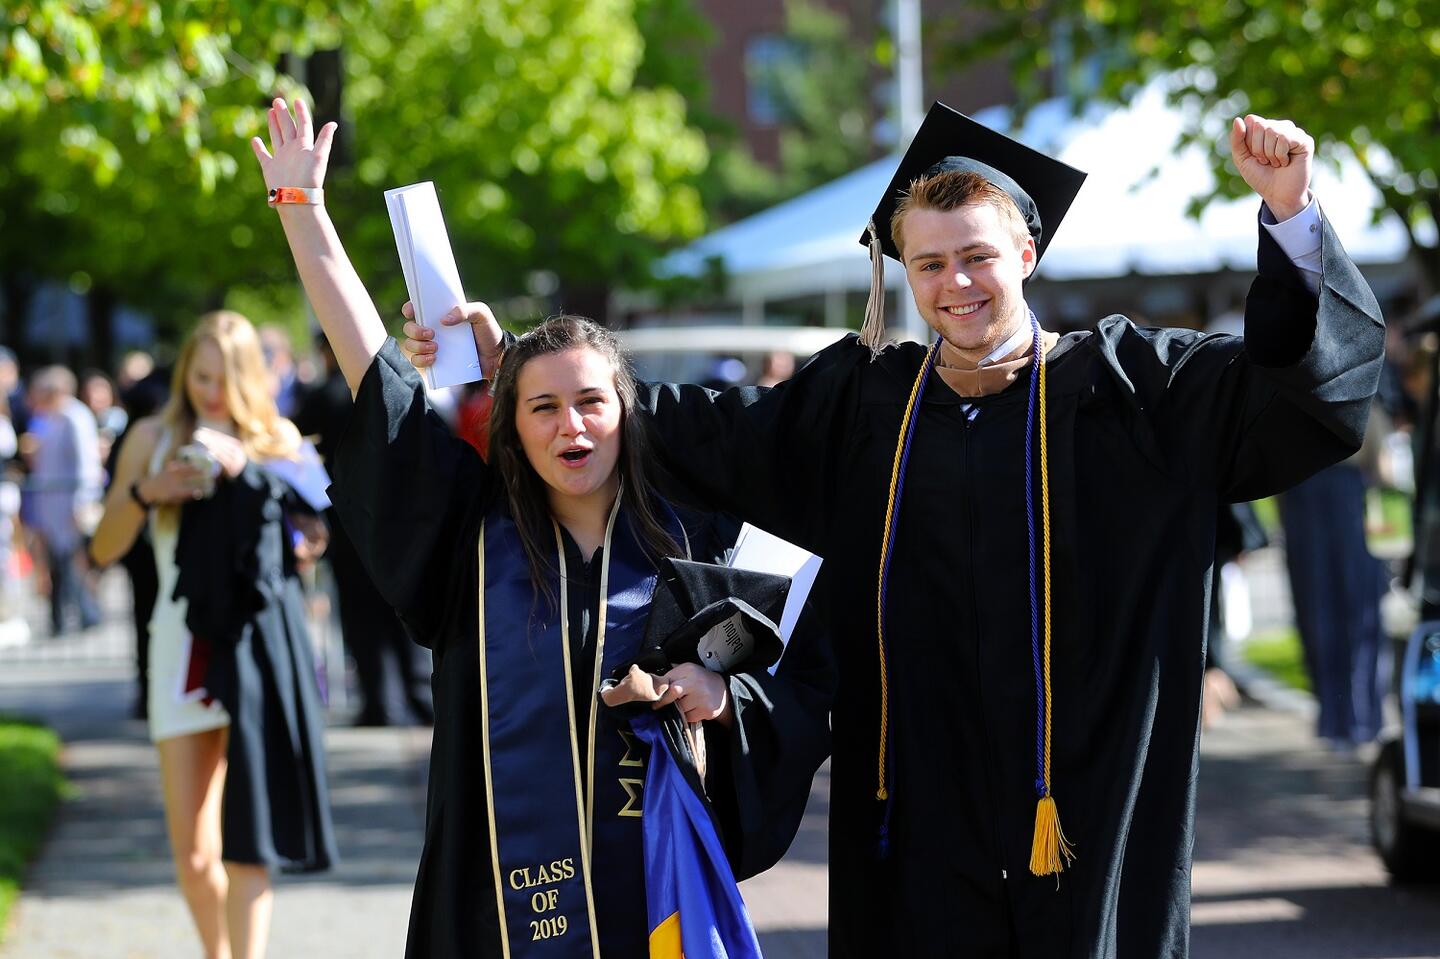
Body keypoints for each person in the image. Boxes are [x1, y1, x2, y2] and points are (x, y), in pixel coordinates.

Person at [409, 104, 1385, 956]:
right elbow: (700, 426)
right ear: (905, 269)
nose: (954, 282)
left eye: (976, 256)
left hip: (1083, 804)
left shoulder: (1131, 388)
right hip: (915, 807)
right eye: (929, 262)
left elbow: (1302, 408)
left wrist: (1292, 218)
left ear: (1027, 256)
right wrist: (522, 371)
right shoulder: (869, 405)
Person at [252, 98, 832, 958]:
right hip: (496, 908)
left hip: (659, 895)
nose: (573, 427)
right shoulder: (470, 539)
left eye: (593, 402)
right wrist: (305, 215)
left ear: (627, 413)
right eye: (545, 407)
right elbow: (376, 376)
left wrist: (716, 698)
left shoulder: (697, 542)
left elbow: (796, 681)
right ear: (510, 425)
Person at [90, 310, 337, 959]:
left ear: (252, 378)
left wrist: (299, 540)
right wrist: (150, 490)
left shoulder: (277, 438)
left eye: (225, 380)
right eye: (200, 377)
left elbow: (316, 527)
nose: (212, 393)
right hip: (182, 642)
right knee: (196, 849)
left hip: (257, 642)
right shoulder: (152, 435)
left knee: (249, 832)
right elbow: (105, 545)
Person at [292, 333, 433, 727]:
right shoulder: (393, 388)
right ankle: (420, 697)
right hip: (398, 517)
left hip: (347, 521)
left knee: (361, 616)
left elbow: (300, 456)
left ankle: (379, 701)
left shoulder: (322, 398)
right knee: (404, 608)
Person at [25, 365, 103, 635]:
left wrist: (81, 503)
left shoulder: (74, 416)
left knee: (72, 563)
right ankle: (64, 618)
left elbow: (85, 464)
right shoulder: (51, 417)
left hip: (69, 504)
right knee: (60, 562)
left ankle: (85, 614)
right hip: (53, 503)